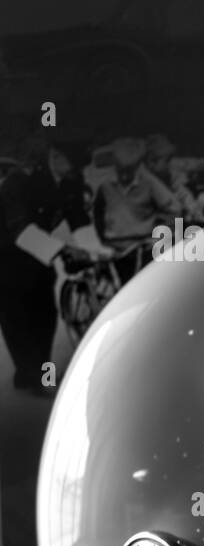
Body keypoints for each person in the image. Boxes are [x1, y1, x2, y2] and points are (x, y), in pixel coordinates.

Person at [0, 136, 92, 395]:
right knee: (18, 319)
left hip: (37, 255)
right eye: (71, 165)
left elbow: (78, 218)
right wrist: (63, 249)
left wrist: (93, 249)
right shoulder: (18, 183)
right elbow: (21, 230)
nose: (75, 172)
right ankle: (36, 377)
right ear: (55, 157)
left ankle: (31, 373)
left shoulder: (70, 181)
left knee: (45, 315)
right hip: (6, 256)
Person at [92, 137, 182, 281]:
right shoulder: (105, 186)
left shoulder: (148, 182)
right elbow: (97, 215)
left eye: (129, 170)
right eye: (121, 170)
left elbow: (174, 209)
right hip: (114, 245)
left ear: (136, 167)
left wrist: (161, 232)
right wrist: (103, 239)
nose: (125, 175)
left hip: (142, 245)